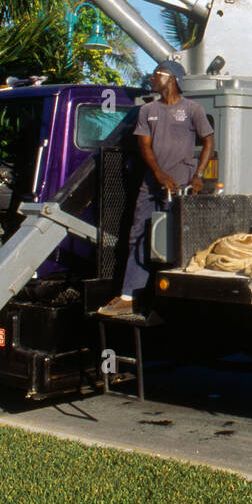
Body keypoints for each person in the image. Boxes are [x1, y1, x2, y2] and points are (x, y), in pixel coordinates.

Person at [100, 59, 214, 317]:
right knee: (138, 236)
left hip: (181, 187)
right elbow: (144, 147)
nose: (151, 79)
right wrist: (158, 174)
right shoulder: (147, 110)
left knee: (176, 241)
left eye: (156, 75)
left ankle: (173, 299)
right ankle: (130, 296)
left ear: (170, 78)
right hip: (151, 185)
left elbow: (208, 142)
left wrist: (198, 176)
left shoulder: (193, 109)